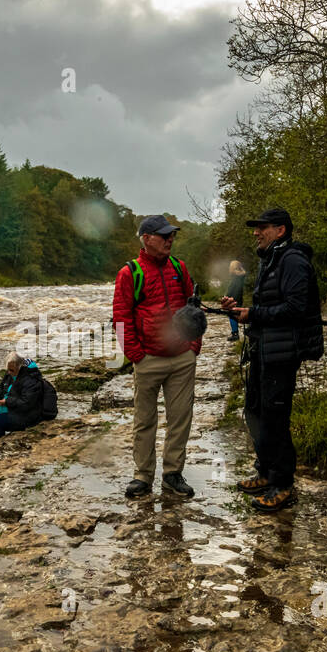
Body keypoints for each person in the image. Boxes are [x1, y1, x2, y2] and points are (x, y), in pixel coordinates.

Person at [220, 207, 324, 512]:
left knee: (275, 418)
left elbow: (296, 308)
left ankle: (282, 484)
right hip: (264, 348)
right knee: (255, 411)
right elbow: (271, 304)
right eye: (255, 227)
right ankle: (265, 471)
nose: (255, 232)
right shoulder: (272, 259)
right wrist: (238, 308)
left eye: (262, 227)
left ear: (280, 230)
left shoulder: (292, 260)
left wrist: (253, 313)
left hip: (283, 353)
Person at [112, 214, 201, 499]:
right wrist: (136, 355)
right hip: (148, 359)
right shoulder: (130, 273)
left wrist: (194, 345)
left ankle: (172, 474)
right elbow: (121, 318)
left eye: (172, 235)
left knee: (180, 419)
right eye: (164, 236)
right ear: (147, 239)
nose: (170, 240)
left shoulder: (179, 267)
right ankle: (142, 476)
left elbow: (193, 308)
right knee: (144, 421)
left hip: (181, 358)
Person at [0, 352, 47, 440]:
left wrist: (6, 402)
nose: (8, 372)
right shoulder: (10, 373)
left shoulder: (31, 380)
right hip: (11, 409)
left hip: (27, 415)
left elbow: (27, 403)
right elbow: (1, 388)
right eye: (7, 369)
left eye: (11, 370)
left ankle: (0, 443)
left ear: (20, 367)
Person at [224, 260, 247, 341]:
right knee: (236, 315)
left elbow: (233, 289)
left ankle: (235, 334)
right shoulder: (241, 276)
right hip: (238, 298)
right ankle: (236, 333)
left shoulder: (235, 277)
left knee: (232, 315)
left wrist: (227, 296)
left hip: (233, 299)